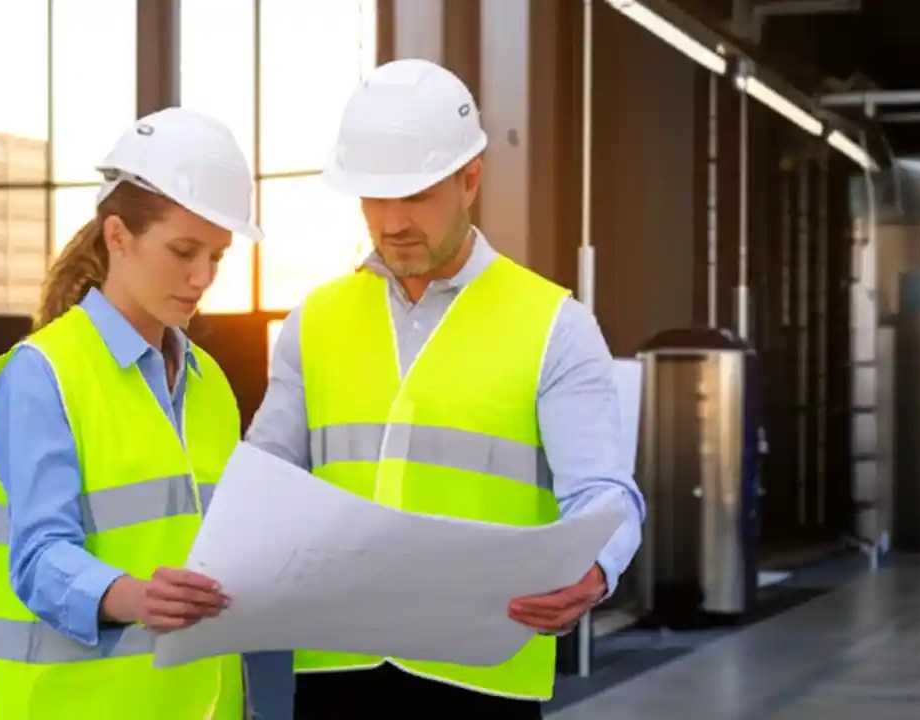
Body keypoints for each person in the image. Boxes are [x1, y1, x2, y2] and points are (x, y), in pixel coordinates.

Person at [245, 58, 646, 719]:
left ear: (470, 180)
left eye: (417, 196)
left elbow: (603, 492)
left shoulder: (554, 326)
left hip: (481, 673)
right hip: (336, 668)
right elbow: (268, 476)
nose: (393, 220)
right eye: (376, 197)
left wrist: (596, 568)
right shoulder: (314, 321)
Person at [0, 107, 263, 719]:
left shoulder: (208, 382)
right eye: (184, 251)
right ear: (117, 237)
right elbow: (37, 556)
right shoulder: (42, 375)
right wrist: (132, 597)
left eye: (217, 256)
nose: (201, 277)